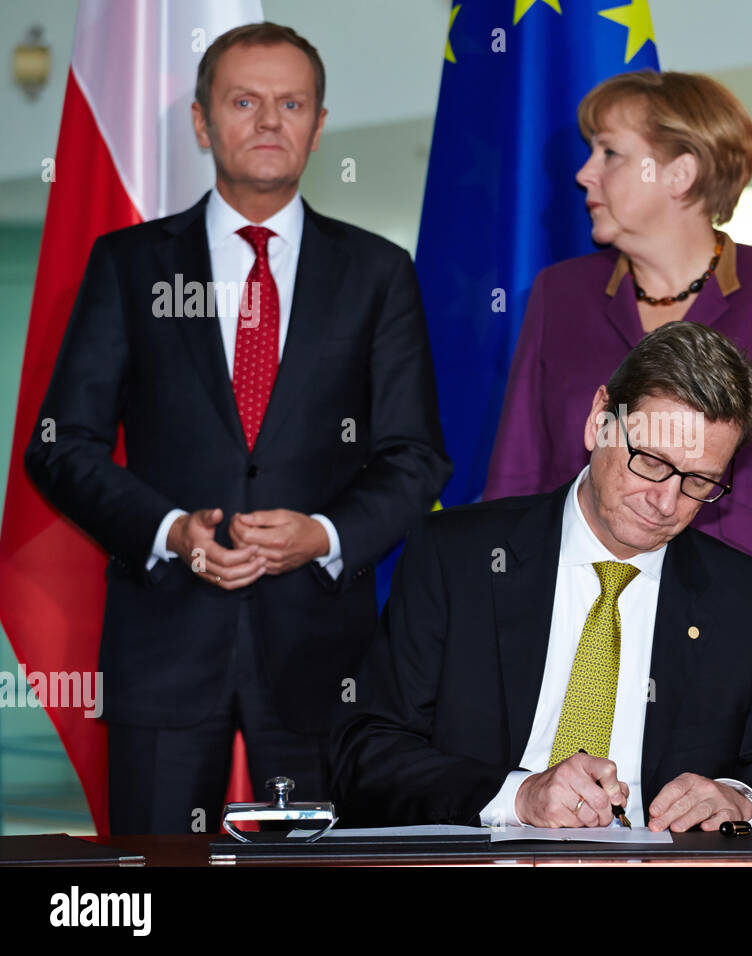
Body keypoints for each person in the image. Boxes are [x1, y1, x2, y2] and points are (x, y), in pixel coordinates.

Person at [24, 23, 450, 834]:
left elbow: (415, 456)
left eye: (291, 103)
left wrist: (321, 535)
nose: (268, 122)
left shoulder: (376, 273)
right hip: (164, 643)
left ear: (320, 126)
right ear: (200, 121)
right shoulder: (129, 264)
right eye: (244, 101)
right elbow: (59, 446)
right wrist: (171, 529)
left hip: (326, 657)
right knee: (149, 879)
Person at [483, 70, 752, 765]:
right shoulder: (558, 295)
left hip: (740, 643)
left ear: (681, 172)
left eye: (608, 153)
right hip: (577, 627)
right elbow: (518, 476)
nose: (583, 174)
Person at [330, 322, 752, 831]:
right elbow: (364, 754)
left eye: (699, 481)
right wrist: (517, 795)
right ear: (599, 421)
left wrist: (740, 803)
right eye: (651, 462)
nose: (666, 502)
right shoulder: (456, 558)